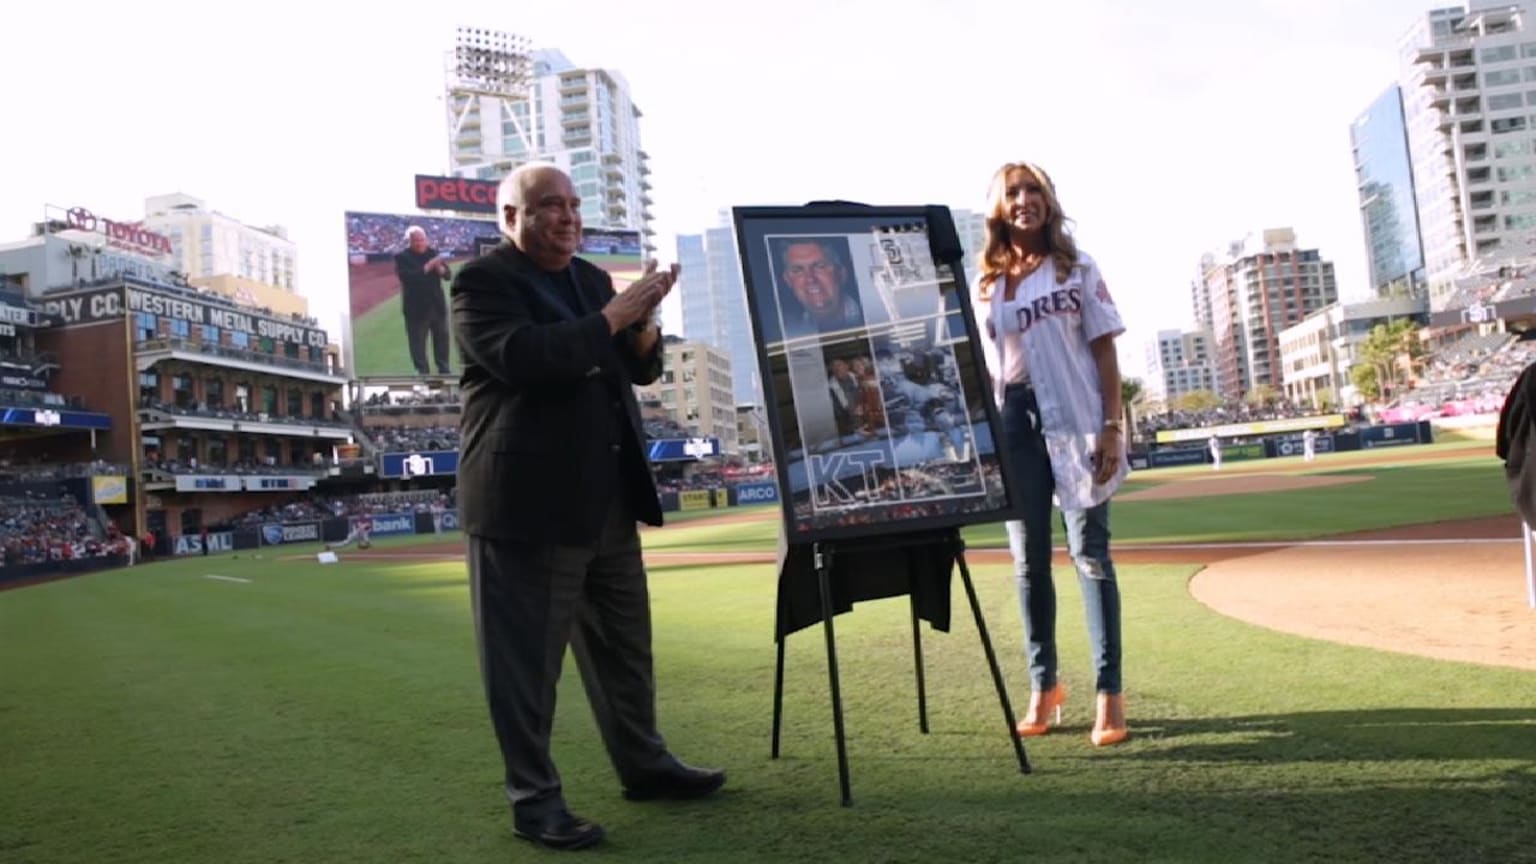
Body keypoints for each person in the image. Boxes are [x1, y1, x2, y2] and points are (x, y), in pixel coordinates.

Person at [450, 163, 725, 852]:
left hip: (605, 497)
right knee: (525, 669)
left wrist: (644, 320)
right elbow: (528, 358)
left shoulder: (593, 280)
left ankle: (645, 765)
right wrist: (616, 315)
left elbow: (638, 368)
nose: (569, 216)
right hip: (524, 507)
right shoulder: (482, 282)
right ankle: (534, 802)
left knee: (626, 651)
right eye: (550, 205)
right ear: (510, 218)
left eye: (574, 204)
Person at [975, 160, 1130, 747]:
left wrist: (1112, 426)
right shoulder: (986, 284)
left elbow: (1105, 350)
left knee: (1090, 555)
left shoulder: (1077, 267)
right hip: (1015, 422)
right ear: (998, 208)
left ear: (1048, 200)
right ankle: (1044, 686)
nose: (1024, 200)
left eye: (1033, 190)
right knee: (1028, 563)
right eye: (1012, 192)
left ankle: (1109, 692)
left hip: (1079, 419)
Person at [776, 237, 865, 338]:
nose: (810, 279)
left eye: (820, 266)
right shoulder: (790, 333)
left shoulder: (871, 317)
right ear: (788, 280)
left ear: (841, 273)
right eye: (797, 270)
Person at [395, 226, 453, 376]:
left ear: (426, 240)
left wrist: (440, 269)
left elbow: (448, 275)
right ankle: (422, 372)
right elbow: (407, 278)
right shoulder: (402, 257)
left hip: (437, 306)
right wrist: (427, 267)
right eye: (416, 240)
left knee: (442, 339)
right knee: (418, 344)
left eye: (422, 240)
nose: (420, 243)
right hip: (416, 309)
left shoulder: (432, 253)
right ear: (409, 242)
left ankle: (444, 368)